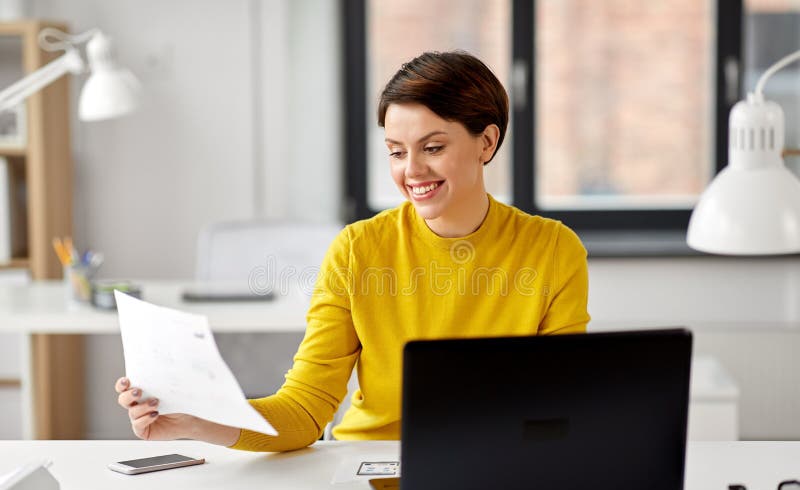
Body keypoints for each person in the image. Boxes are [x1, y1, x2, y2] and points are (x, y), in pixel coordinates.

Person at [115, 50, 590, 452]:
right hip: (370, 462)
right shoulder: (359, 249)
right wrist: (200, 422)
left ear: (486, 141)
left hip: (499, 463)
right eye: (396, 151)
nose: (412, 170)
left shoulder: (552, 249)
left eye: (433, 146)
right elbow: (305, 406)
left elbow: (563, 402)